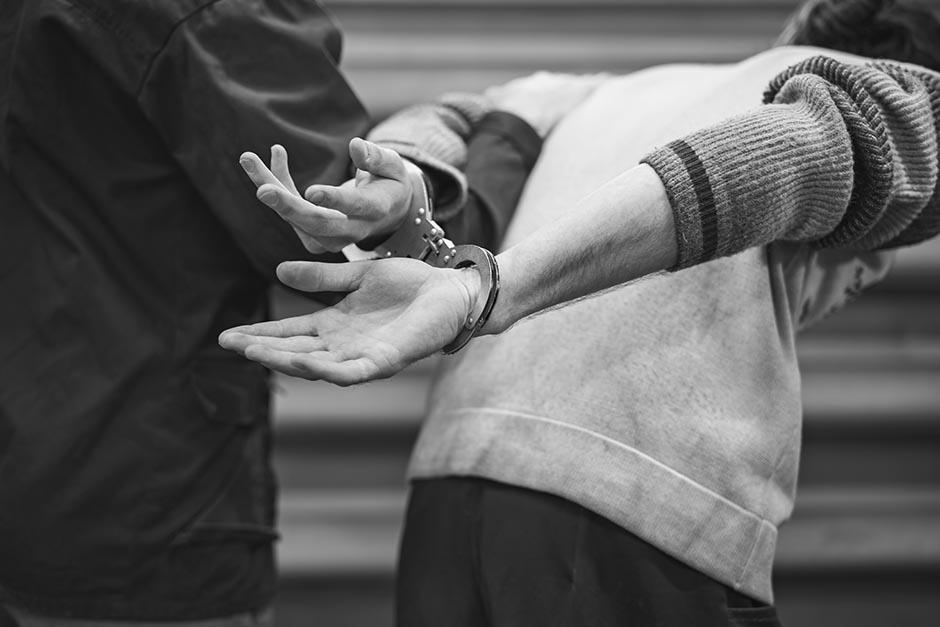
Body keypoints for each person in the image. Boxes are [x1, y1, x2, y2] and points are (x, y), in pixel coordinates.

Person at [221, 0, 940, 624]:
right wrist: (485, 287)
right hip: (642, 508)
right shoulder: (900, 102)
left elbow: (470, 112)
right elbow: (796, 153)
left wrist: (407, 176)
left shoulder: (615, 88)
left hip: (452, 492)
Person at [0, 0, 598, 623]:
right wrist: (510, 129)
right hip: (135, 509)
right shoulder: (203, 15)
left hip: (51, 471)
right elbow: (346, 233)